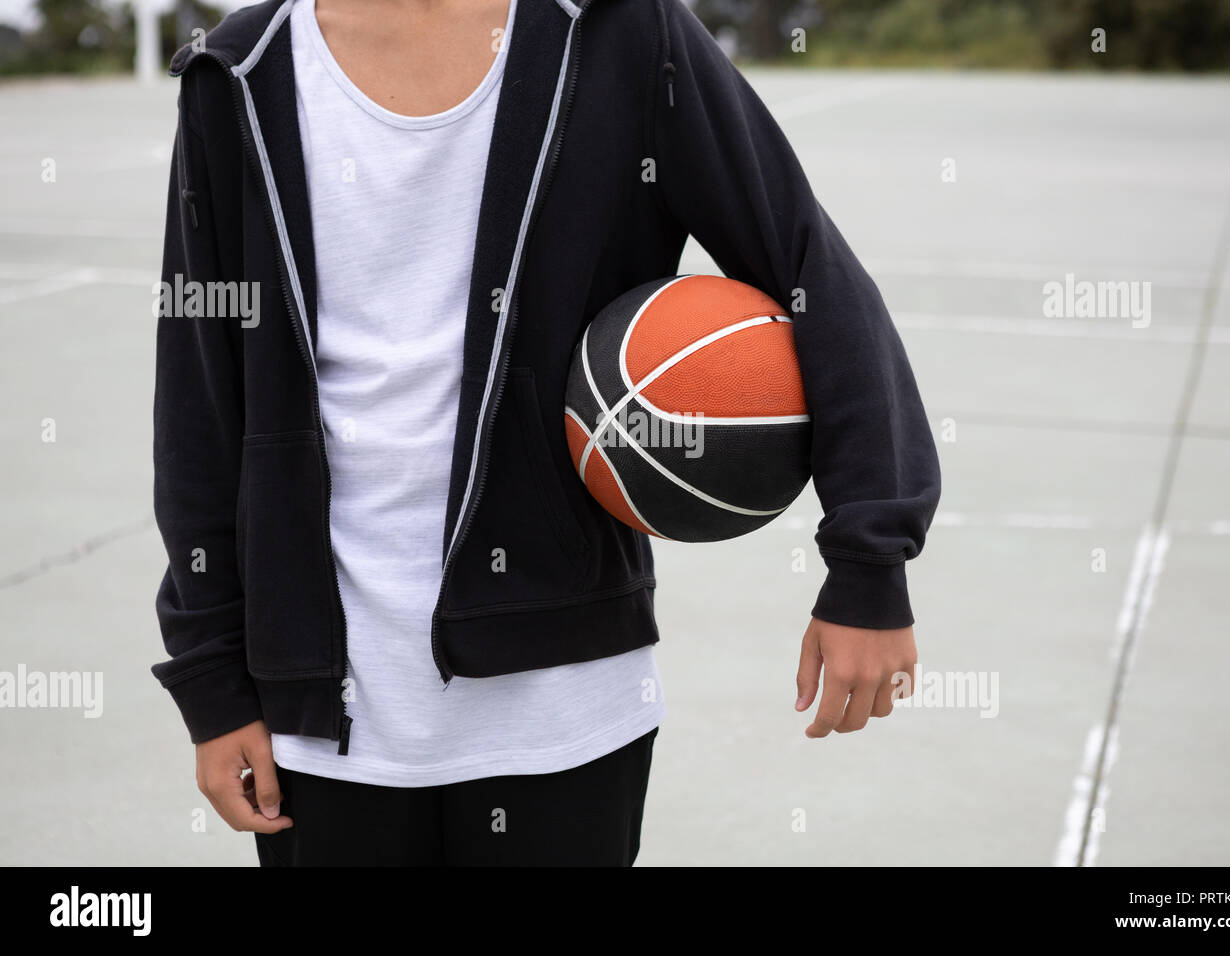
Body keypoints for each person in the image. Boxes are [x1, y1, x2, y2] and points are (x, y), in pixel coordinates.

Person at [151, 0, 941, 866]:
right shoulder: (236, 75)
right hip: (320, 714)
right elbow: (199, 403)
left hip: (567, 701)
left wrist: (870, 559)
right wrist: (212, 677)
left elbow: (806, 262)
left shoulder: (620, 32)